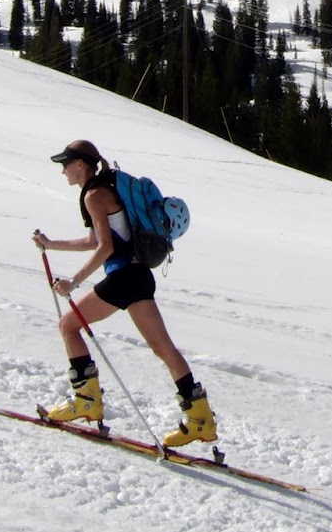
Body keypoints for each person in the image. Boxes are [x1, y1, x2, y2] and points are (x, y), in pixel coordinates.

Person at [32, 139, 217, 448]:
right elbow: (96, 240)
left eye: (66, 163)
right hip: (140, 276)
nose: (62, 170)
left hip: (123, 277)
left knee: (68, 326)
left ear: (81, 164)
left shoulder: (93, 195)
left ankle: (86, 400)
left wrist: (73, 283)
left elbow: (105, 247)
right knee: (163, 348)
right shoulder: (105, 189)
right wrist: (51, 245)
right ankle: (201, 421)